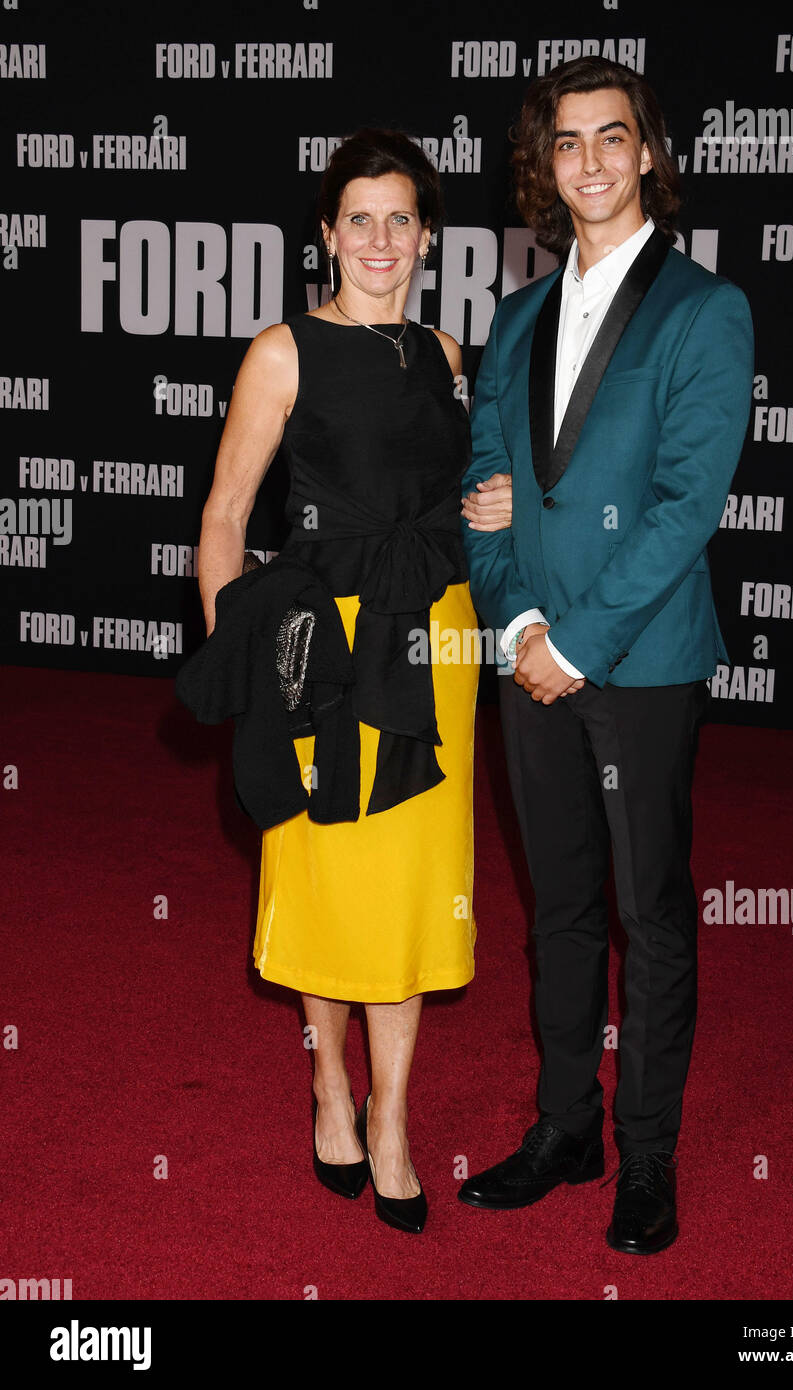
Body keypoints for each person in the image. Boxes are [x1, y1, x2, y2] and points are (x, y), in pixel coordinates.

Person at [176, 128, 512, 1235]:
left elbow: (459, 495)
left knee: (411, 881)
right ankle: (329, 1084)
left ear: (426, 235)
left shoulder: (450, 355)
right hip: (321, 644)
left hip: (436, 639)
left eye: (399, 218)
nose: (379, 238)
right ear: (325, 235)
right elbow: (225, 518)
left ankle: (394, 1120)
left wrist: (491, 511)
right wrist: (241, 662)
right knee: (328, 868)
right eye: (356, 218)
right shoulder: (283, 352)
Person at [457, 57, 754, 1253]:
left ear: (646, 154)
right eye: (566, 143)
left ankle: (648, 1158)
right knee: (559, 909)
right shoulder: (514, 316)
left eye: (610, 138)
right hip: (526, 660)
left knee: (650, 912)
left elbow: (686, 508)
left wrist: (574, 641)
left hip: (635, 664)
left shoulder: (703, 311)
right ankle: (563, 1130)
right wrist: (522, 626)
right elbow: (484, 488)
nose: (589, 162)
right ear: (546, 164)